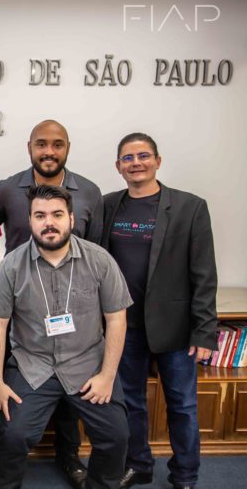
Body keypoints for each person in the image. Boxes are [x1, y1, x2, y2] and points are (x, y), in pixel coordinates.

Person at [0, 185, 132, 489]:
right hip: (32, 364)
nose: (48, 222)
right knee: (14, 434)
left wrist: (107, 375)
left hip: (87, 363)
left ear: (72, 218)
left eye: (57, 214)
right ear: (30, 220)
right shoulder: (11, 265)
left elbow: (116, 319)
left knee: (116, 436)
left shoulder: (99, 260)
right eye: (40, 215)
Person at [0, 119, 103, 487]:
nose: (49, 151)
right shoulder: (7, 190)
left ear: (67, 147)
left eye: (57, 144)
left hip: (75, 312)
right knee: (15, 385)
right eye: (41, 144)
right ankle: (5, 462)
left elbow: (98, 252)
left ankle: (68, 456)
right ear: (29, 147)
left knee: (72, 387)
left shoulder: (89, 191)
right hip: (22, 312)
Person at [101, 133, 217, 489]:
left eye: (143, 155)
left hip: (175, 327)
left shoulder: (189, 207)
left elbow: (203, 273)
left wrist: (205, 331)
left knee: (182, 405)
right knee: (130, 401)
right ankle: (139, 464)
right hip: (124, 326)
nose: (136, 163)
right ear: (118, 166)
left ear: (158, 161)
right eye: (128, 158)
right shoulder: (108, 206)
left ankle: (185, 474)